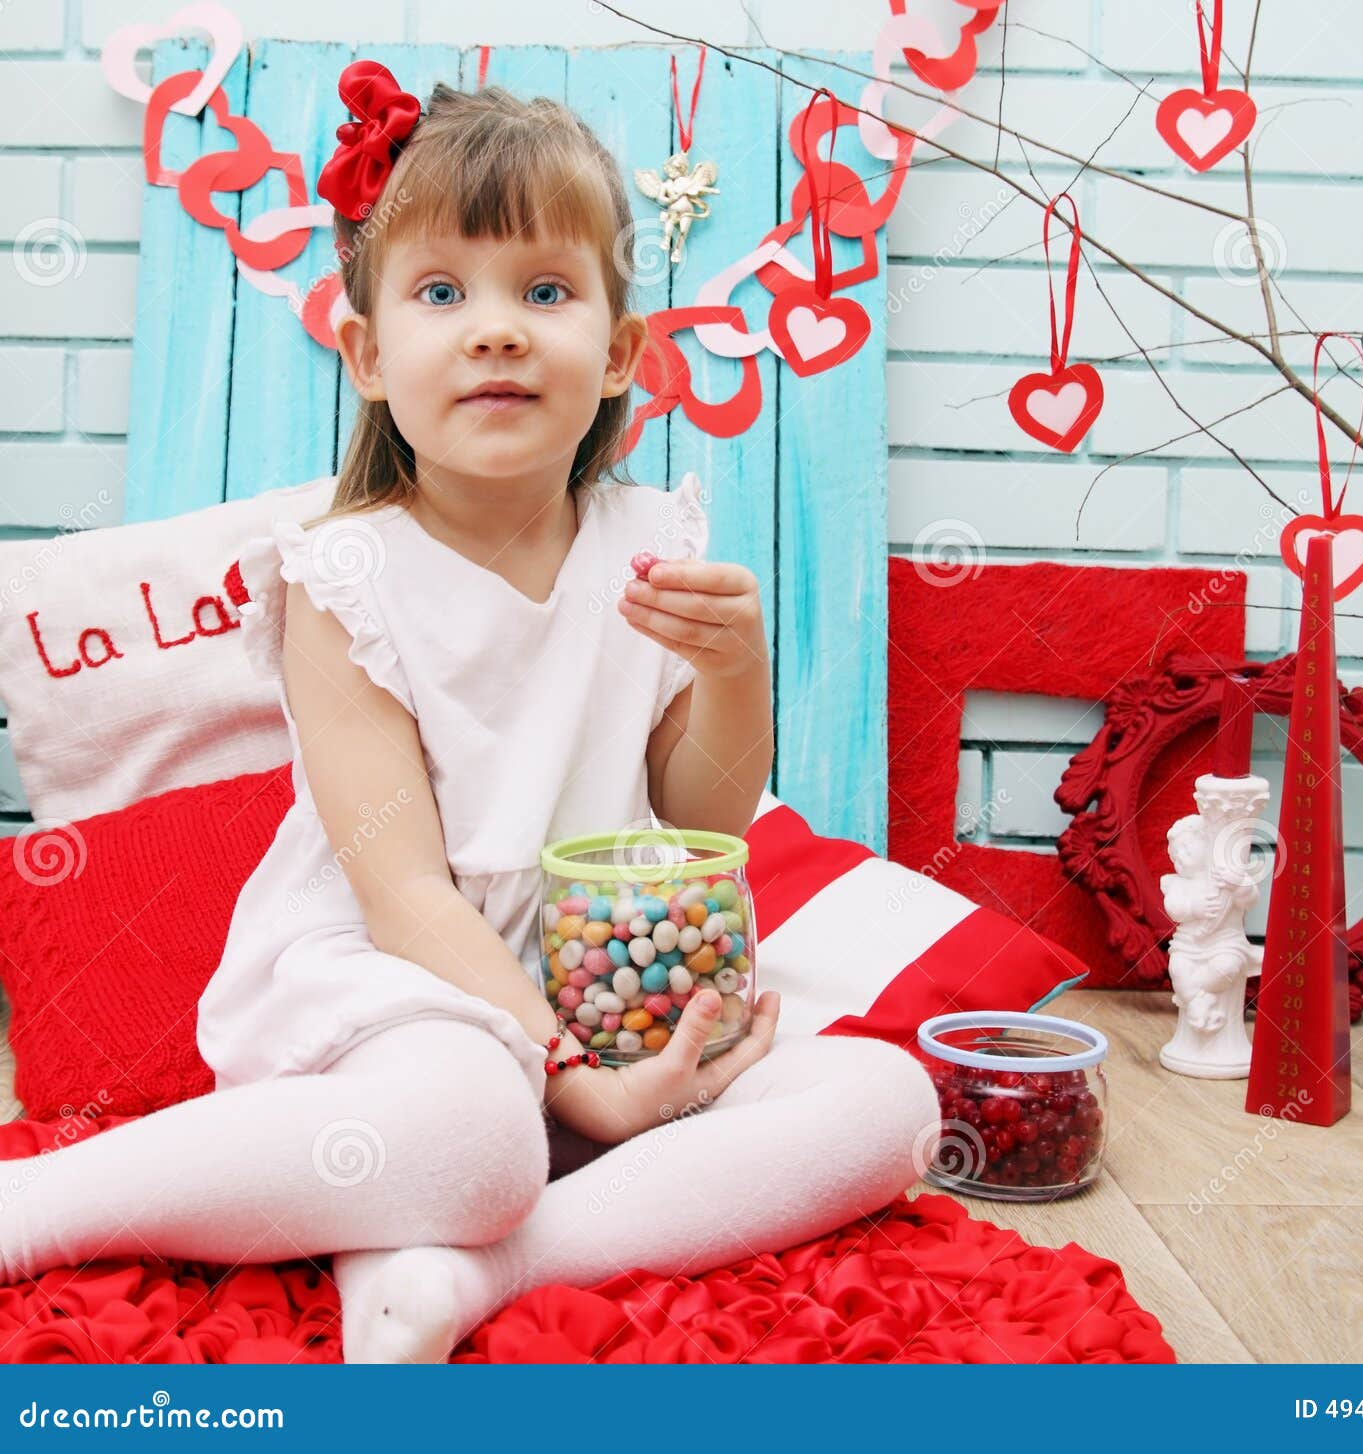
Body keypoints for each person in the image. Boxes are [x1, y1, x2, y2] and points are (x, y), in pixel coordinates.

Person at [0, 66, 939, 1363]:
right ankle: (35, 1206)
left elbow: (699, 817)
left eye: (545, 290)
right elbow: (409, 899)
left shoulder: (650, 545)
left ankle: (472, 1264)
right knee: (475, 1128)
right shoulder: (348, 577)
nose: (496, 329)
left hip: (609, 987)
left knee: (888, 1100)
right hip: (400, 988)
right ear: (372, 355)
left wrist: (734, 673)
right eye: (442, 291)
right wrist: (573, 1083)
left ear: (616, 352)